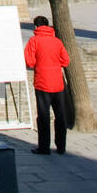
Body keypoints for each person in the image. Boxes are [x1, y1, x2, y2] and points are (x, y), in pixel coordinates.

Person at [24, 15, 70, 155]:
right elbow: (66, 61)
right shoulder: (57, 42)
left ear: (36, 27)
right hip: (58, 83)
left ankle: (44, 147)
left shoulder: (34, 41)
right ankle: (61, 147)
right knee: (60, 116)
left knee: (43, 116)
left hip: (42, 83)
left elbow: (29, 62)